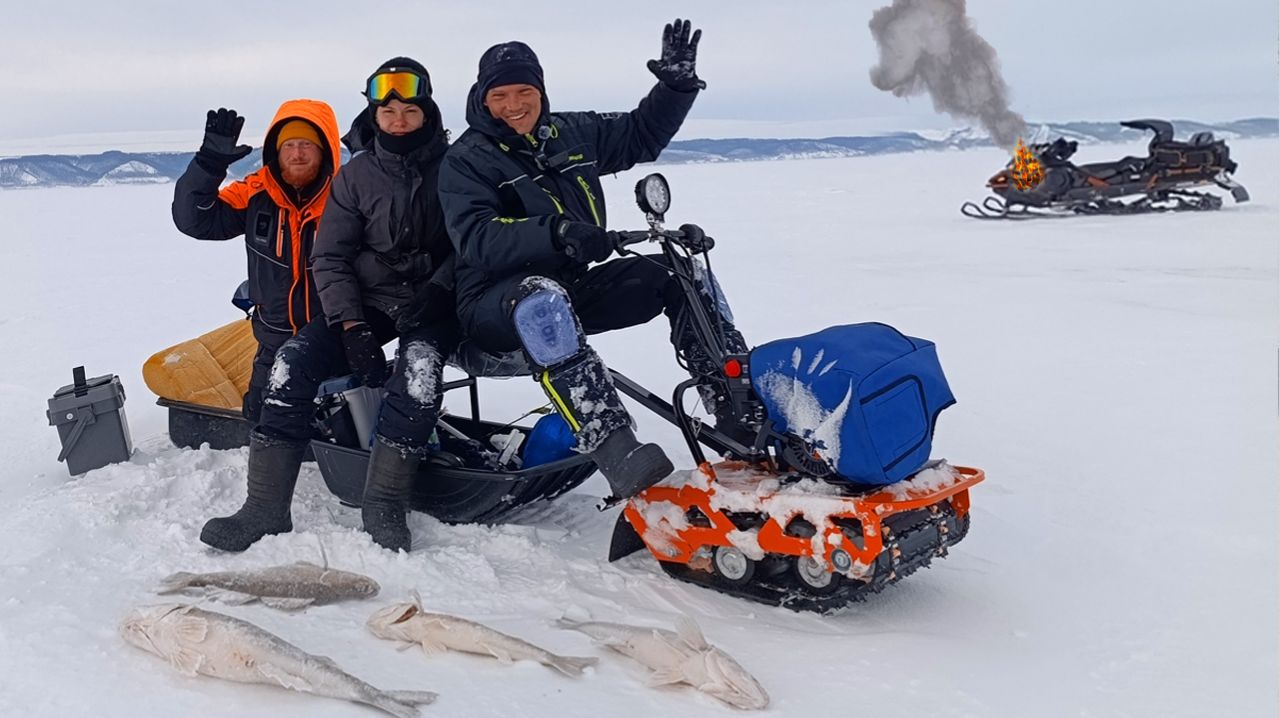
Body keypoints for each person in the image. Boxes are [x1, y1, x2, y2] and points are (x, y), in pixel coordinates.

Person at [438, 19, 748, 501]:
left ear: (541, 91)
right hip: (490, 306)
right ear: (482, 99)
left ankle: (738, 410)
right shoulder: (466, 160)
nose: (514, 105)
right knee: (542, 299)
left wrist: (674, 87)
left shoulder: (569, 132)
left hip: (569, 288)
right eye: (500, 96)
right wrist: (558, 233)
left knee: (678, 272)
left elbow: (637, 136)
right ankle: (614, 445)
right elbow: (477, 239)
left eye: (524, 91)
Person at [199, 58, 457, 553]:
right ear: (374, 114)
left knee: (418, 370)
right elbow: (331, 257)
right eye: (387, 109)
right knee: (291, 361)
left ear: (427, 110)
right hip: (373, 301)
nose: (398, 117)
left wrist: (440, 289)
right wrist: (352, 323)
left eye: (409, 107)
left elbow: (474, 242)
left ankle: (383, 502)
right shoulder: (355, 176)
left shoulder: (457, 167)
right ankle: (266, 508)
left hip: (440, 302)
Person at [172, 100, 342, 424]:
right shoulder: (256, 192)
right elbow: (193, 220)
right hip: (273, 348)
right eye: (288, 145)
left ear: (325, 150)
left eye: (307, 144)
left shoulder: (347, 198)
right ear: (276, 152)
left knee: (340, 443)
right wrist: (208, 165)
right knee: (262, 434)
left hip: (335, 348)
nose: (297, 153)